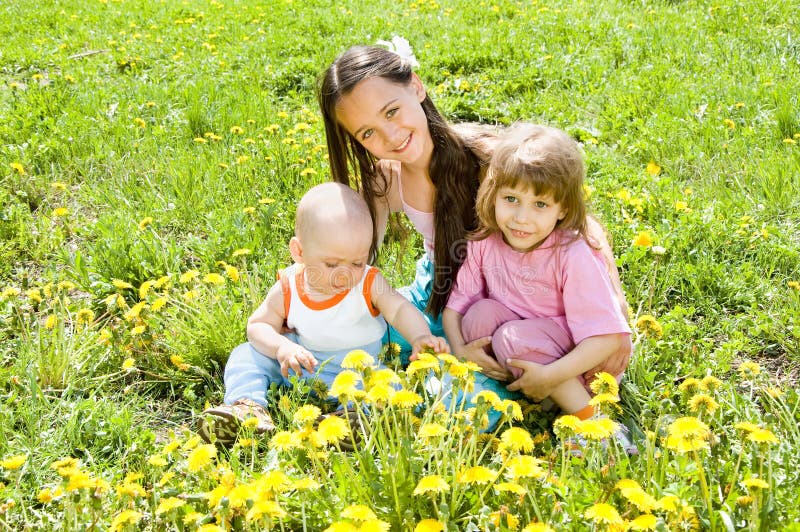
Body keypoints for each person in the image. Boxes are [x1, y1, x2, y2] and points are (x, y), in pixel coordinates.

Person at [317, 39, 629, 417]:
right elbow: (357, 260)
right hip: (443, 288)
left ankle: (408, 407)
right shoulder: (387, 181)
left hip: (515, 297)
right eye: (367, 133)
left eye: (392, 111)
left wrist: (612, 300)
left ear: (416, 86)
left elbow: (580, 227)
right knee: (370, 330)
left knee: (470, 393)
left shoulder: (487, 157)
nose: (389, 136)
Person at [198, 183, 449, 445]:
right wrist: (282, 347)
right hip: (303, 365)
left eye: (357, 262)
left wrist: (420, 335)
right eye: (331, 264)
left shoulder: (368, 282)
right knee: (245, 355)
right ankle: (247, 406)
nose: (345, 273)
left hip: (362, 373)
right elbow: (258, 325)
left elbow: (399, 309)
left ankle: (351, 420)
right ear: (299, 252)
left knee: (390, 387)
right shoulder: (289, 286)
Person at [443, 124, 636, 452]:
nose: (521, 218)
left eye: (540, 205)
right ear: (493, 195)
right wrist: (461, 350)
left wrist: (553, 374)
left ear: (562, 208)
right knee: (478, 315)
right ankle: (530, 394)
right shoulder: (485, 241)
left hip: (583, 358)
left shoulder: (571, 254)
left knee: (509, 338)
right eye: (511, 199)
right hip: (528, 342)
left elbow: (607, 339)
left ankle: (597, 425)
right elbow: (454, 308)